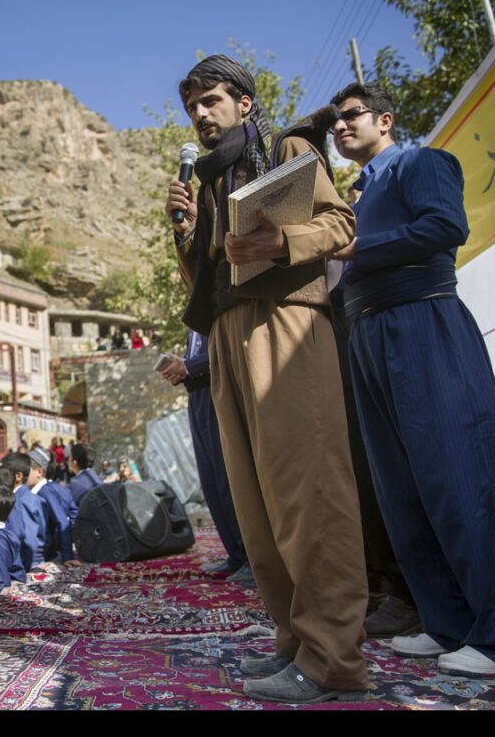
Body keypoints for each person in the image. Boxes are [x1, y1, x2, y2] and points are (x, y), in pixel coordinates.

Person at [165, 55, 367, 702]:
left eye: (212, 100)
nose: (200, 113)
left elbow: (341, 225)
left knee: (310, 492)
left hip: (285, 325)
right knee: (258, 507)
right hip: (225, 334)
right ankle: (294, 644)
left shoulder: (284, 149)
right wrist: (190, 234)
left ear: (245, 104)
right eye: (192, 104)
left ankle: (335, 658)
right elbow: (205, 281)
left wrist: (281, 246)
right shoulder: (208, 181)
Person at [330, 82, 495, 677]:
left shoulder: (422, 162)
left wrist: (357, 248)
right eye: (336, 122)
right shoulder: (360, 194)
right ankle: (447, 622)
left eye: (351, 116)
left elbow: (446, 226)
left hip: (422, 323)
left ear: (385, 119)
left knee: (462, 476)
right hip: (370, 339)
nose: (341, 127)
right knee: (404, 490)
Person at [158, 331, 251, 585]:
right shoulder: (192, 327)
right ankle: (235, 553)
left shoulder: (214, 310)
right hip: (197, 398)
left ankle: (252, 558)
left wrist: (188, 365)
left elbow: (228, 351)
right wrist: (181, 370)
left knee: (227, 478)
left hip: (217, 395)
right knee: (210, 482)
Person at [26, 447, 79, 567]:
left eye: (27, 470)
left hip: (48, 554)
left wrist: (67, 556)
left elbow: (62, 522)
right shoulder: (43, 489)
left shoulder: (45, 492)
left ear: (39, 472)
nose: (23, 474)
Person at [1, 452, 47, 572]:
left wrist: (22, 570)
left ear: (18, 476)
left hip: (30, 565)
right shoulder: (29, 497)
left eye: (5, 473)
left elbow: (30, 542)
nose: (1, 477)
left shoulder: (20, 501)